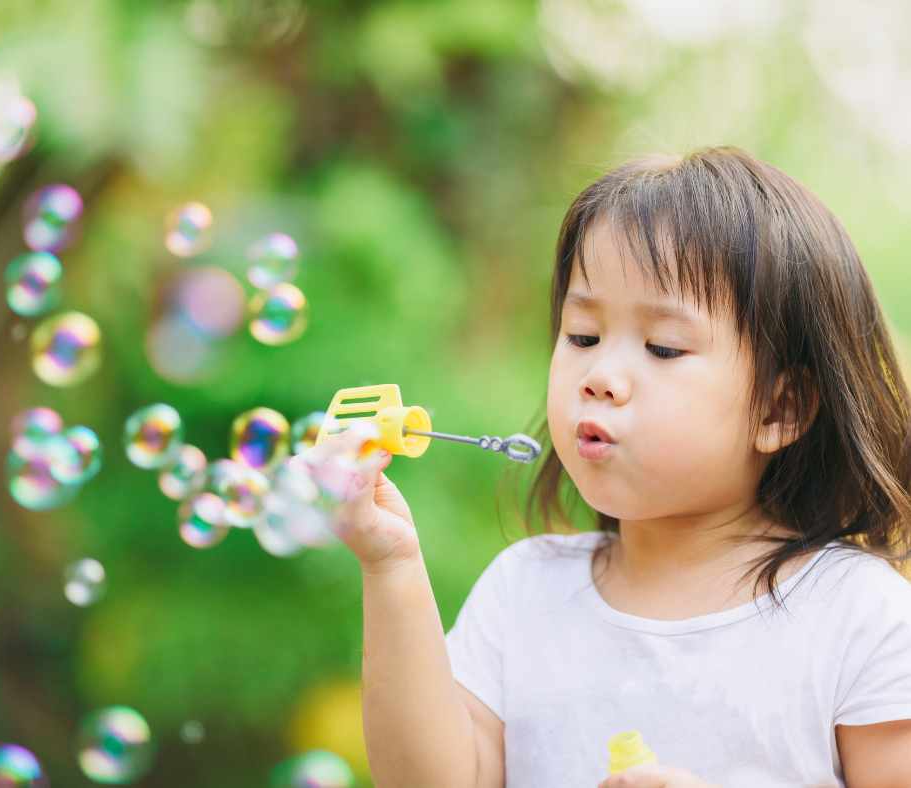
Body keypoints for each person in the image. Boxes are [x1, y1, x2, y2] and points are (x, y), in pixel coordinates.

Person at [308, 147, 911, 787]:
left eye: (663, 347)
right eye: (583, 336)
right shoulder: (524, 593)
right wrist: (390, 564)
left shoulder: (857, 615)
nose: (599, 376)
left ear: (779, 409)